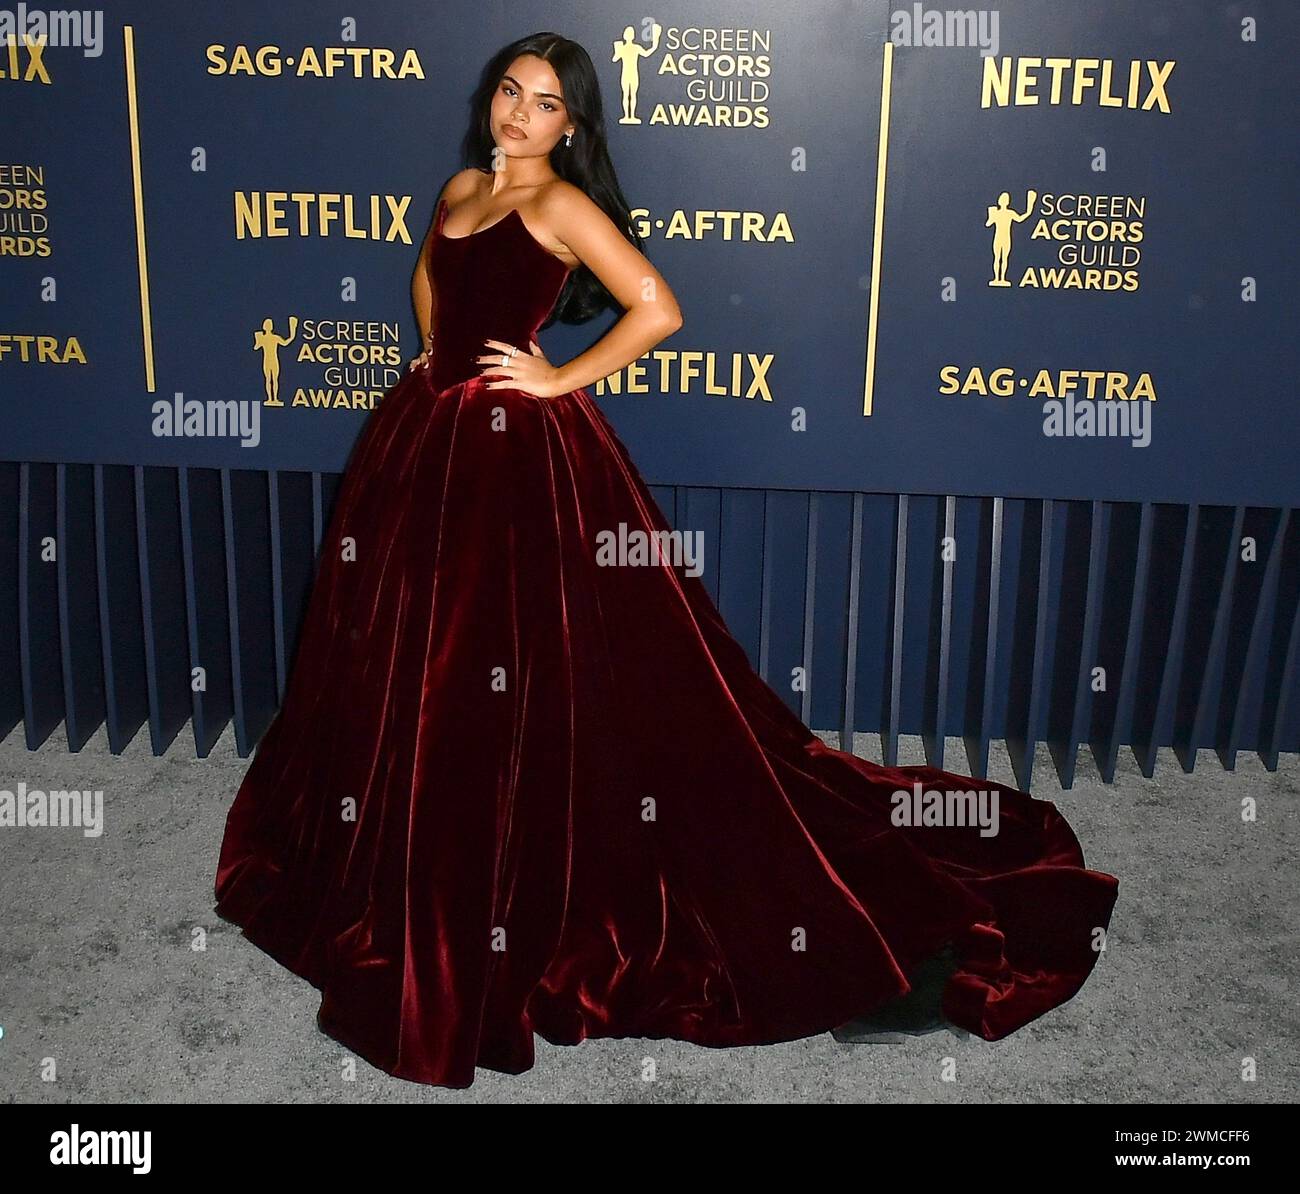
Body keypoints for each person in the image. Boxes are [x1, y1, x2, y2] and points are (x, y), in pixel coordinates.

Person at [214, 32, 1119, 1090]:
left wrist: (555, 383)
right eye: (509, 91)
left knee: (503, 662)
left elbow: (658, 307)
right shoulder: (462, 184)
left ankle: (495, 880)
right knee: (403, 653)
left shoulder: (559, 207)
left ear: (572, 127)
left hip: (515, 459)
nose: (517, 114)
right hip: (425, 436)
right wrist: (437, 354)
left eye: (544, 104)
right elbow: (431, 275)